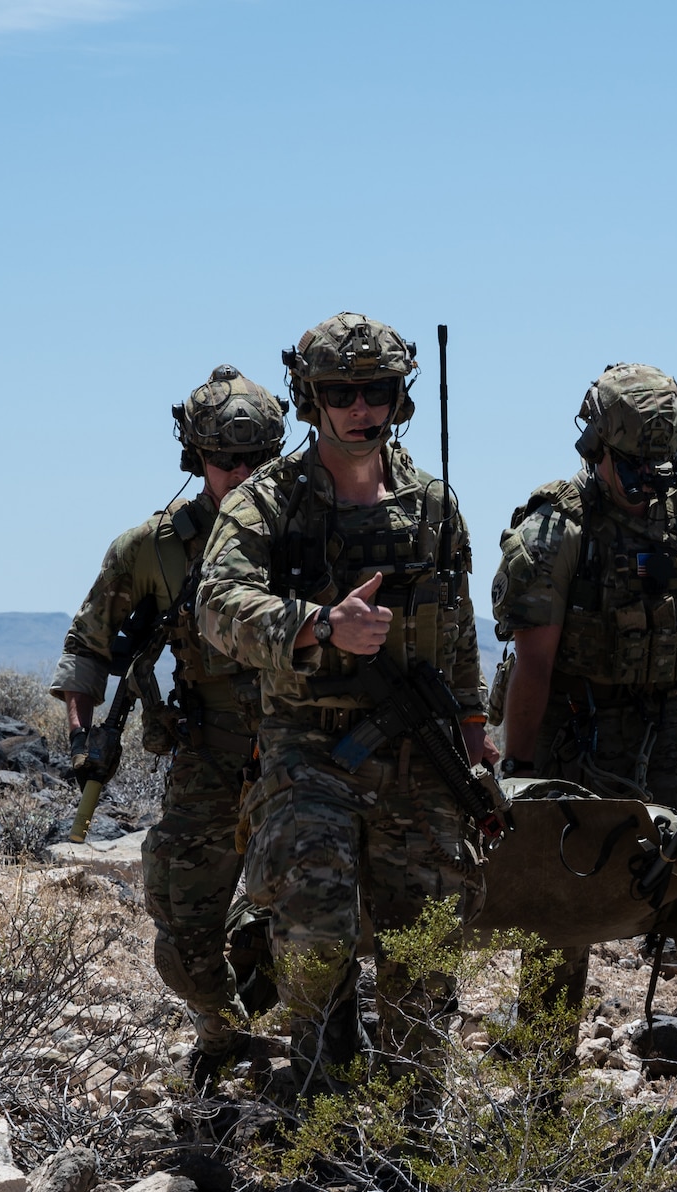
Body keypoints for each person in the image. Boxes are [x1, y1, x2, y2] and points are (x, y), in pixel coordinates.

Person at [196, 313, 494, 1087]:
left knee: (426, 948)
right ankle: (319, 1098)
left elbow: (458, 635)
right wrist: (319, 626)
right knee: (314, 925)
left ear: (402, 395)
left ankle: (414, 1128)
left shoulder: (433, 504)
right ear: (311, 396)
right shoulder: (269, 503)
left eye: (379, 390)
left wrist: (476, 736)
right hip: (311, 747)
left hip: (420, 755)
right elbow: (217, 603)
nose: (362, 406)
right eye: (342, 391)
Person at [488, 363, 677, 1092]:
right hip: (570, 717)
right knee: (562, 887)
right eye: (634, 468)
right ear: (597, 448)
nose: (649, 483)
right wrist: (518, 773)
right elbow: (534, 665)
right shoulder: (556, 530)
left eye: (661, 467)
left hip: (658, 715)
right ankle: (545, 1072)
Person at [51, 365, 287, 1086]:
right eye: (225, 462)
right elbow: (88, 644)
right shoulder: (151, 550)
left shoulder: (315, 534)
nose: (241, 475)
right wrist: (84, 730)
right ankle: (222, 1036)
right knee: (182, 919)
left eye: (258, 462)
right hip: (208, 747)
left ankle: (320, 1050)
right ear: (196, 459)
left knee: (320, 905)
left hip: (305, 743)